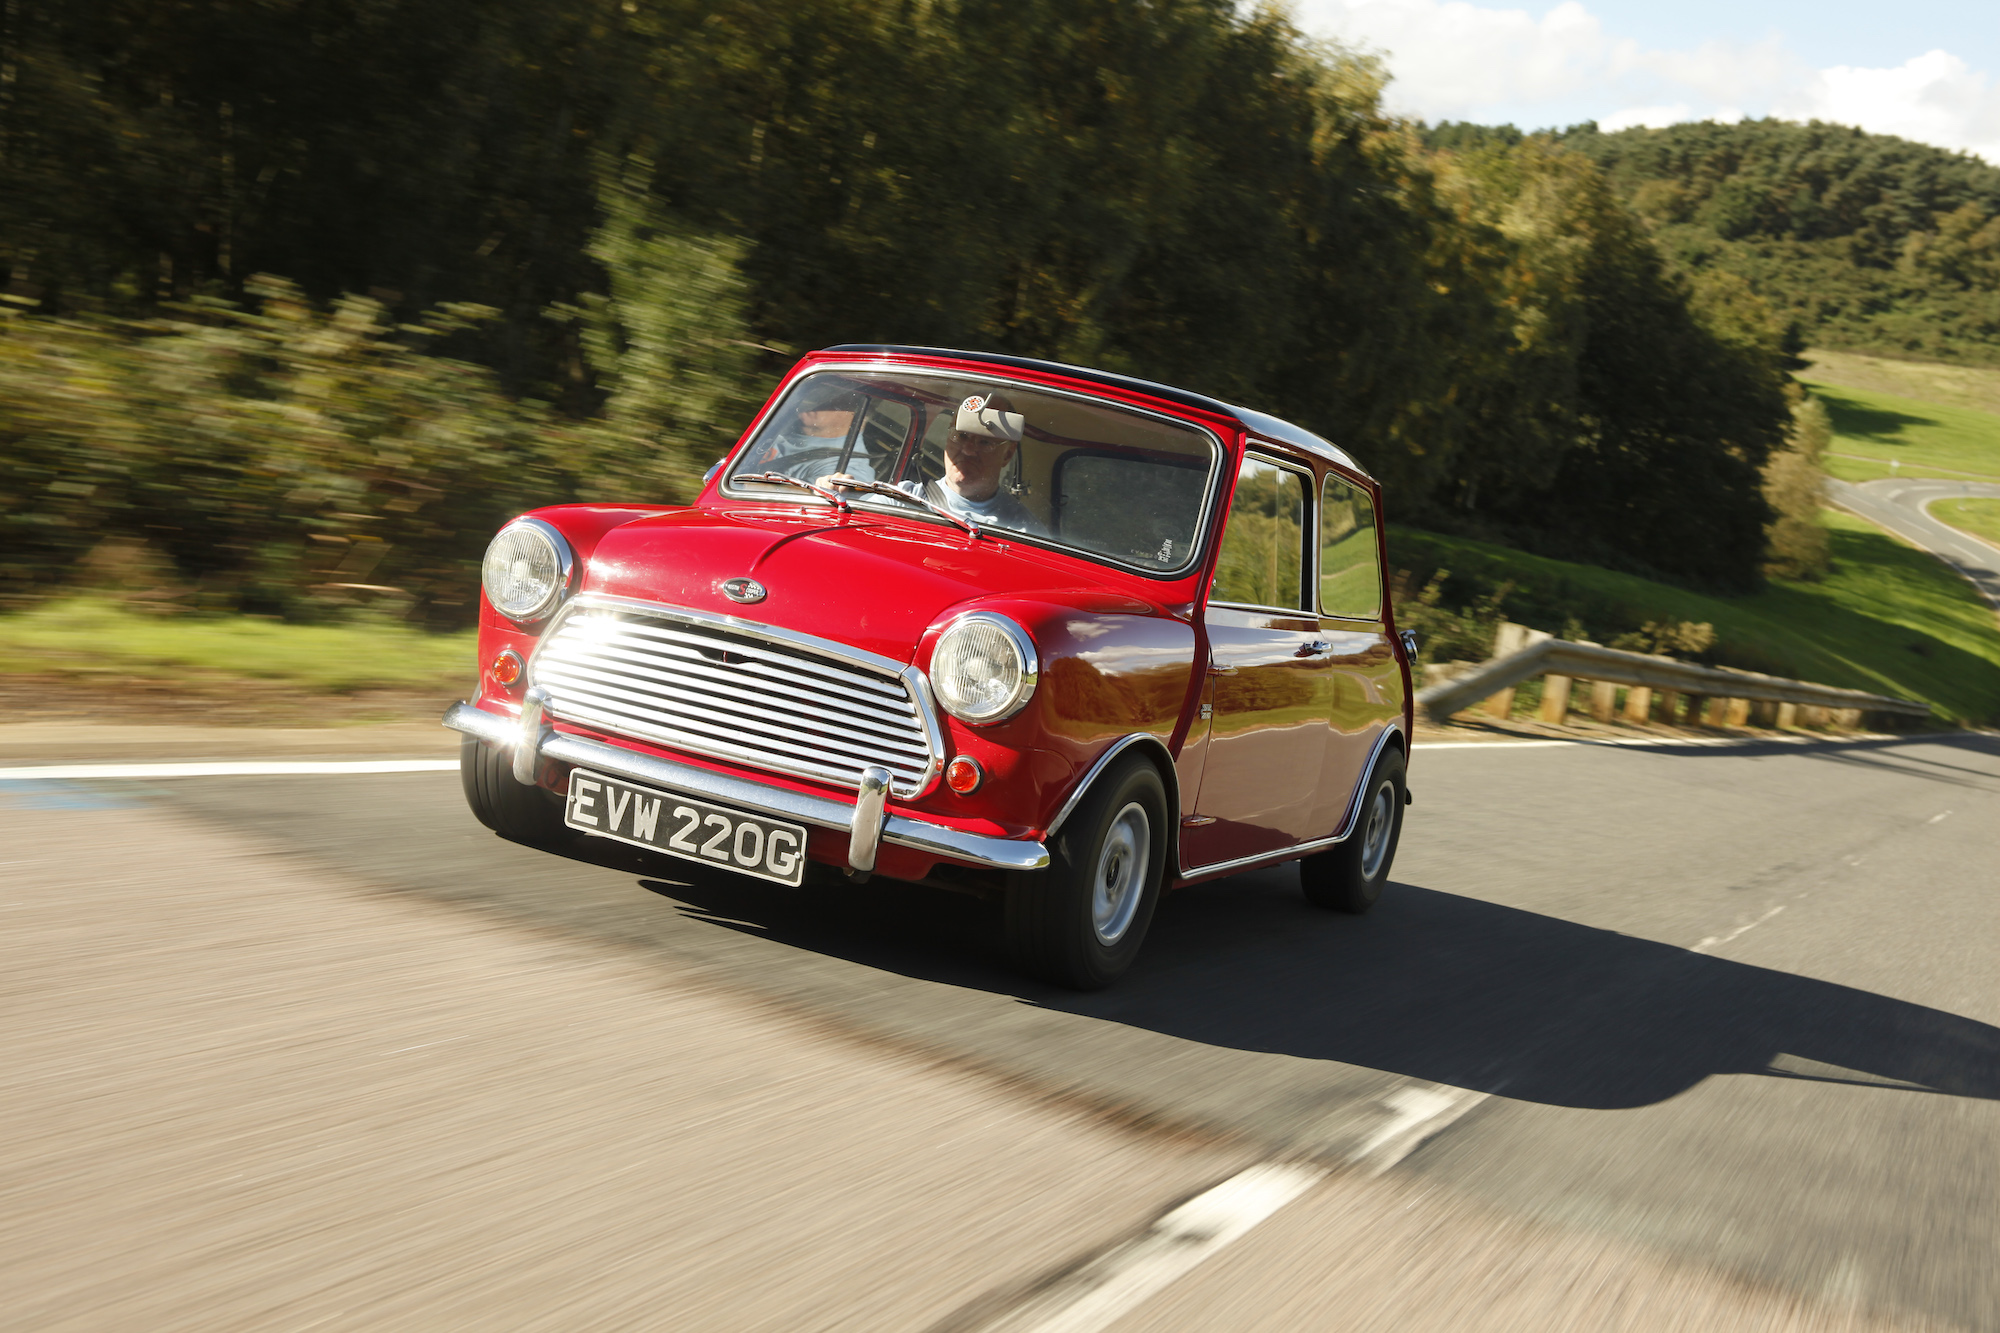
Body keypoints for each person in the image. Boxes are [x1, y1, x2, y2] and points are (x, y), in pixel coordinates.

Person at [912, 392, 1040, 533]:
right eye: (961, 436)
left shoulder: (1025, 530)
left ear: (1007, 455)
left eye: (985, 442)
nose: (968, 450)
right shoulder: (902, 501)